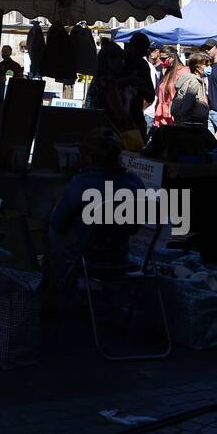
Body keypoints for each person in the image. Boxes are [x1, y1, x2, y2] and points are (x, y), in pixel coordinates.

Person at [44, 127, 147, 305]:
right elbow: (134, 228)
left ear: (89, 157)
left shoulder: (82, 182)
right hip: (119, 258)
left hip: (86, 259)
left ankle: (51, 295)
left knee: (52, 230)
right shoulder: (135, 183)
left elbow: (58, 223)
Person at [120, 31, 156, 136]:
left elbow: (151, 96)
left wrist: (139, 86)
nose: (144, 53)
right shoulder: (120, 61)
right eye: (142, 49)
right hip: (118, 116)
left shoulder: (142, 65)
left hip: (135, 117)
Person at [171, 51, 210, 125]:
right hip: (191, 122)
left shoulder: (189, 79)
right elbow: (188, 102)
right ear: (198, 68)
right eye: (206, 65)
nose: (209, 67)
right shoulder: (194, 82)